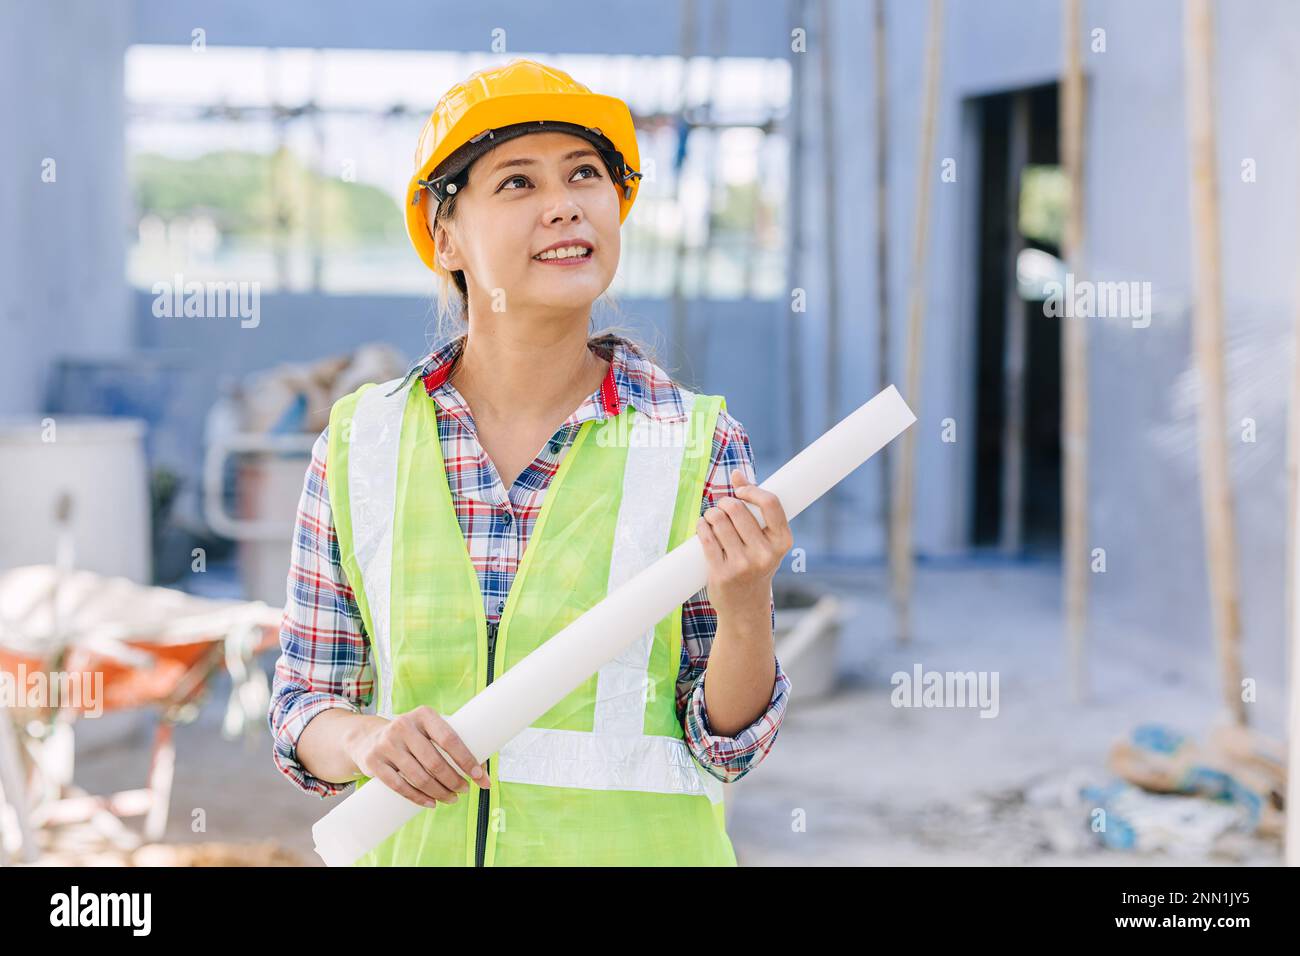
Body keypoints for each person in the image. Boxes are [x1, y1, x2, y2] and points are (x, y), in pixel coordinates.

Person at [268, 58, 793, 866]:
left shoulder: (695, 443)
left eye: (585, 175)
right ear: (447, 235)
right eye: (518, 183)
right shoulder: (358, 445)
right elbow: (305, 704)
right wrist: (367, 740)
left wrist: (746, 603)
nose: (564, 206)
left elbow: (728, 744)